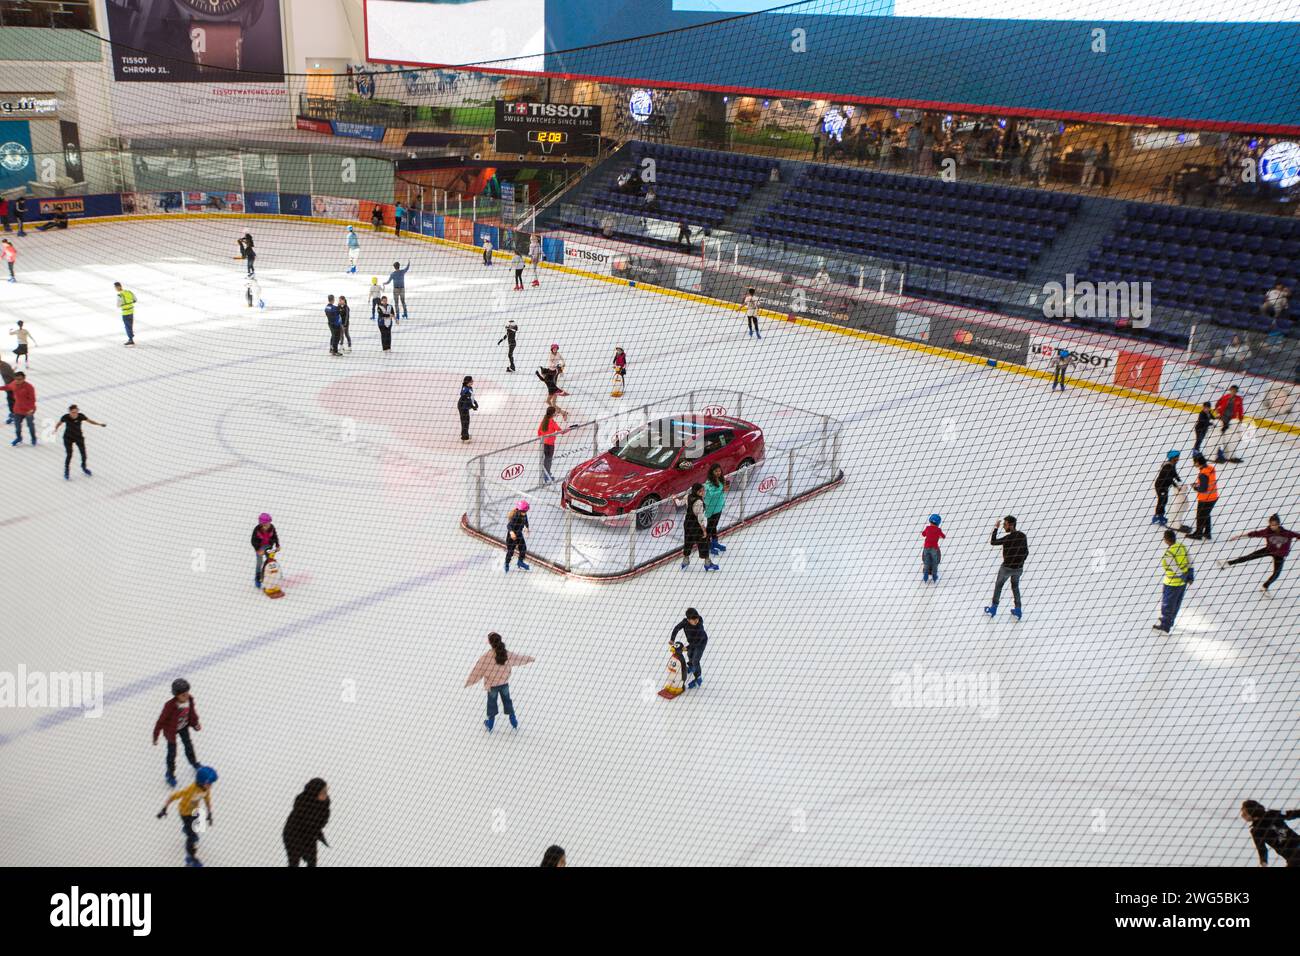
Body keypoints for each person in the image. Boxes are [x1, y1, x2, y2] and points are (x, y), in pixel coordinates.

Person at [464, 632, 535, 732]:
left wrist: (469, 682)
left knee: (491, 704)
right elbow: (519, 658)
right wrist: (530, 659)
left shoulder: (486, 658)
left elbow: (477, 671)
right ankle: (513, 721)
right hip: (504, 684)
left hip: (492, 686)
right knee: (507, 702)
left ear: (490, 642)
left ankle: (490, 724)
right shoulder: (506, 654)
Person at [1219, 514, 1298, 593]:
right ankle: (1228, 563)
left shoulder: (1287, 533)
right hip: (1269, 550)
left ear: (1278, 524)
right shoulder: (1267, 531)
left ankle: (1265, 587)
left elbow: (1298, 535)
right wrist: (1238, 537)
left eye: (1275, 525)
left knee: (1276, 573)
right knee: (1249, 557)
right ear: (1269, 524)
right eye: (1271, 524)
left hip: (1279, 555)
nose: (1273, 526)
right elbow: (1254, 534)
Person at [157, 765, 217, 867]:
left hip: (194, 811)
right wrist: (164, 808)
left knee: (197, 822)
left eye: (211, 783)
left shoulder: (205, 790)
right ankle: (190, 858)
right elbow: (173, 796)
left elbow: (207, 800)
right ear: (201, 782)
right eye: (209, 783)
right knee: (191, 836)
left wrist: (209, 812)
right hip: (184, 813)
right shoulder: (190, 790)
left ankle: (187, 829)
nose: (210, 785)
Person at [152, 678, 201, 787]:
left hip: (183, 727)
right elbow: (160, 721)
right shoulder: (169, 706)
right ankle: (170, 773)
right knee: (172, 752)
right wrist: (156, 736)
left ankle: (194, 762)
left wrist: (195, 723)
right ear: (176, 695)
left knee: (188, 745)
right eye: (183, 694)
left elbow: (192, 713)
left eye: (187, 692)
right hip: (171, 731)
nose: (186, 695)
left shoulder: (190, 700)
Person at [985, 515, 1028, 619]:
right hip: (1018, 569)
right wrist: (1020, 563)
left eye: (1005, 524)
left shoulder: (1008, 538)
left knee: (998, 586)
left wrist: (996, 528)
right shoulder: (1022, 536)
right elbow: (1026, 552)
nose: (1004, 526)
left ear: (1011, 525)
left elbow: (993, 542)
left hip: (1006, 568)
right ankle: (1018, 609)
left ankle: (994, 608)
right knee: (1015, 587)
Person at [283, 778, 331, 867]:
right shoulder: (302, 802)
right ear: (315, 792)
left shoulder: (325, 804)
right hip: (293, 834)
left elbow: (321, 821)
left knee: (312, 862)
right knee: (294, 861)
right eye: (322, 791)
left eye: (326, 791)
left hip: (309, 835)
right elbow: (307, 822)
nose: (325, 794)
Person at [1152, 529, 1193, 633]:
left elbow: (1175, 569)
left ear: (1166, 540)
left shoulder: (1169, 553)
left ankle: (1165, 627)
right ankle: (1169, 621)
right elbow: (1190, 562)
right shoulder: (1182, 547)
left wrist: (1183, 577)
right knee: (1177, 603)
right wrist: (1190, 576)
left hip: (1171, 583)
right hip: (1182, 584)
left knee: (1167, 604)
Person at [1240, 800, 1300, 867]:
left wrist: (1263, 862)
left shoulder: (1256, 831)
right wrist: (1264, 861)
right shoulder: (1272, 814)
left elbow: (1261, 849)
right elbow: (1291, 814)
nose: (1242, 815)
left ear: (1252, 812)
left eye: (1244, 813)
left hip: (1293, 856)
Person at [54, 404, 105, 480]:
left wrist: (99, 424)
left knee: (83, 453)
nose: (74, 414)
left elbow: (90, 421)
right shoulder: (65, 417)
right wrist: (55, 429)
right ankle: (66, 471)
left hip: (78, 437)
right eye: (72, 412)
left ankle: (84, 467)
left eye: (76, 412)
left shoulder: (81, 416)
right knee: (69, 455)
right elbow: (59, 423)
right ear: (69, 412)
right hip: (68, 438)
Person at [682, 483, 718, 571]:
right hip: (695, 525)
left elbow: (679, 503)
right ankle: (707, 562)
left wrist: (674, 498)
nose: (703, 492)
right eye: (700, 491)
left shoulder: (688, 496)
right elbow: (700, 518)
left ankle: (685, 561)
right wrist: (704, 530)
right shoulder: (699, 502)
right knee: (703, 543)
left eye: (703, 490)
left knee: (688, 540)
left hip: (687, 523)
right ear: (696, 491)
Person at [671, 608, 709, 689]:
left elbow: (696, 643)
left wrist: (686, 648)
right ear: (688, 620)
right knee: (690, 654)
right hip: (692, 642)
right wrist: (672, 639)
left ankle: (698, 678)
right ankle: (691, 667)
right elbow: (676, 628)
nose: (696, 621)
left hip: (700, 643)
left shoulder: (699, 628)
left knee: (696, 659)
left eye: (697, 619)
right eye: (694, 620)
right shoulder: (685, 622)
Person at [1186, 452, 1218, 540]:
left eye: (1194, 462)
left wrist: (1195, 487)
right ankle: (1207, 533)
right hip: (1213, 497)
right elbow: (1208, 482)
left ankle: (1198, 534)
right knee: (1206, 514)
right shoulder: (1210, 468)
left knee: (1200, 516)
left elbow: (1203, 489)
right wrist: (1198, 484)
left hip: (1205, 499)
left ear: (1197, 462)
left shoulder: (1203, 474)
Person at [3, 370, 36, 446]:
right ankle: (19, 438)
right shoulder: (14, 384)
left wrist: (31, 409)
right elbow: (7, 387)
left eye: (19, 379)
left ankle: (33, 438)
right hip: (17, 410)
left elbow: (32, 399)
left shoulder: (29, 387)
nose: (17, 381)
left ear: (24, 379)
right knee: (17, 427)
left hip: (28, 411)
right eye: (16, 379)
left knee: (30, 426)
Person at [1214, 386, 1245, 463]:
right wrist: (1217, 412)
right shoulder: (1225, 397)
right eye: (1232, 390)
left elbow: (1241, 410)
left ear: (1236, 391)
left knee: (1229, 437)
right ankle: (1218, 454)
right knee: (1219, 436)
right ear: (1230, 390)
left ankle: (1228, 455)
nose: (1233, 392)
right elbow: (1217, 404)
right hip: (1223, 418)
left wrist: (1240, 419)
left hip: (1231, 420)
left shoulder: (1239, 399)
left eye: (1235, 391)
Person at [1151, 450, 1182, 526]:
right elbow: (1169, 478)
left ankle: (1160, 515)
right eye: (1177, 457)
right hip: (1160, 486)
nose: (1178, 459)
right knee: (1162, 501)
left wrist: (1179, 480)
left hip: (1165, 486)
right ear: (1172, 458)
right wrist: (1176, 486)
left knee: (1164, 500)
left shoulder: (1172, 465)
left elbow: (1174, 474)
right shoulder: (1167, 467)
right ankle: (1157, 517)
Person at [704, 463, 728, 555]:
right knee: (710, 527)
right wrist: (722, 490)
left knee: (714, 525)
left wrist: (724, 489)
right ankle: (708, 544)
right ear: (712, 472)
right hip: (711, 508)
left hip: (719, 506)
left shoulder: (721, 479)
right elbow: (712, 494)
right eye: (716, 471)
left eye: (719, 471)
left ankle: (715, 542)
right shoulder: (708, 483)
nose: (718, 473)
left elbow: (721, 493)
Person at [251, 513, 280, 589]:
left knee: (270, 562)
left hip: (268, 547)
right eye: (265, 524)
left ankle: (271, 578)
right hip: (260, 548)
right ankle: (258, 579)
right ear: (261, 524)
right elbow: (253, 541)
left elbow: (275, 536)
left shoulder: (272, 528)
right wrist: (258, 549)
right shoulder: (257, 529)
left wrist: (277, 545)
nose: (267, 525)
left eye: (268, 523)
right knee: (259, 563)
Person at [538, 407, 563, 483]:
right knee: (548, 460)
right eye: (555, 412)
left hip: (543, 444)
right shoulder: (552, 422)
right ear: (553, 413)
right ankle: (546, 476)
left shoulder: (544, 420)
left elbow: (539, 432)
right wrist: (569, 428)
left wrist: (545, 437)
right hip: (550, 445)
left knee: (545, 460)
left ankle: (545, 474)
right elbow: (561, 431)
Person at [505, 500, 530, 572]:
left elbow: (526, 520)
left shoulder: (524, 515)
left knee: (523, 548)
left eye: (526, 511)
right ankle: (506, 563)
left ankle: (520, 562)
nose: (525, 513)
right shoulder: (516, 516)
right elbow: (509, 525)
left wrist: (527, 527)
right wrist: (511, 532)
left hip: (519, 534)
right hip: (511, 537)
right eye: (524, 512)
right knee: (511, 551)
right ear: (520, 510)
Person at [921, 513, 945, 583]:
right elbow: (943, 536)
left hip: (926, 547)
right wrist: (938, 536)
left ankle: (926, 573)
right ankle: (934, 575)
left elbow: (923, 534)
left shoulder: (927, 528)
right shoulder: (938, 530)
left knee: (926, 560)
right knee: (935, 561)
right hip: (934, 548)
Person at [113, 281, 137, 347]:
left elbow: (118, 305)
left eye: (115, 287)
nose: (115, 289)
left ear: (118, 287)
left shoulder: (119, 295)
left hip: (125, 313)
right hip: (131, 312)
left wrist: (123, 304)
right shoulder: (129, 292)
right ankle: (131, 337)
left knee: (127, 326)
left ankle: (130, 339)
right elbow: (135, 299)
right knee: (130, 325)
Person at [457, 376, 479, 443]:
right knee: (465, 421)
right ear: (467, 382)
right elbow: (466, 399)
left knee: (466, 421)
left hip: (465, 406)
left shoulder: (469, 388)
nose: (473, 381)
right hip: (462, 407)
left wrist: (475, 402)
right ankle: (465, 437)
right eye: (471, 380)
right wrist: (472, 406)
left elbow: (471, 398)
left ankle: (464, 434)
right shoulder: (465, 389)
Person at [1, 357, 13, 424]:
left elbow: (13, 377)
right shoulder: (2, 365)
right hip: (8, 385)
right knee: (10, 400)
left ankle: (13, 415)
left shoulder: (5, 367)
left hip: (11, 386)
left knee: (11, 400)